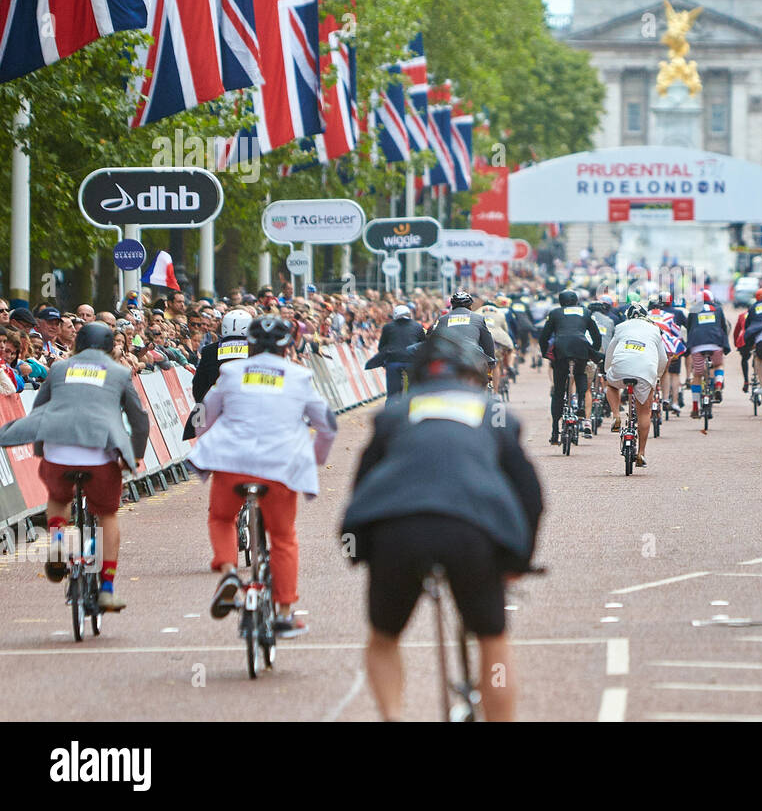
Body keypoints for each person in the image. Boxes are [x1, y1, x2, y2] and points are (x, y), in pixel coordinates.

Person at [342, 333, 543, 722]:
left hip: (397, 532)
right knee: (492, 638)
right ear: (473, 377)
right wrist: (520, 557)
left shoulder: (395, 414)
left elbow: (362, 485)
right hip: (471, 530)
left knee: (384, 638)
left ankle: (393, 716)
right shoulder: (493, 414)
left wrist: (359, 550)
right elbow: (529, 492)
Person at [190, 316, 337, 637]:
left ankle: (229, 571)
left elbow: (203, 414)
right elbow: (326, 425)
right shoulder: (300, 376)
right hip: (281, 467)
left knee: (221, 518)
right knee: (283, 537)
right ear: (289, 346)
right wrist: (315, 459)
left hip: (231, 463)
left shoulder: (229, 372)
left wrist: (209, 440)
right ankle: (285, 611)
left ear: (249, 345)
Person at [0, 322, 150, 611]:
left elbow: (40, 410)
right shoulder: (119, 373)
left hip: (59, 450)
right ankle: (106, 587)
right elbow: (139, 420)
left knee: (58, 497)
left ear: (76, 346)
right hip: (100, 453)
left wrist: (43, 450)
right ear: (110, 348)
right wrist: (134, 456)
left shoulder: (58, 369)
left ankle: (57, 543)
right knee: (107, 514)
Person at [602, 303, 667, 467]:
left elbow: (610, 352)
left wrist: (608, 370)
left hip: (621, 367)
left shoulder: (621, 327)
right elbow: (663, 359)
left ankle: (616, 415)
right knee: (644, 412)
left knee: (611, 385)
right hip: (645, 371)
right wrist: (656, 376)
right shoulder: (654, 329)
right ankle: (641, 453)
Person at [538, 290, 602, 444]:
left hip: (561, 350)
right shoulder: (586, 312)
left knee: (559, 391)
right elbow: (596, 335)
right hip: (581, 348)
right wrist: (592, 351)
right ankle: (580, 404)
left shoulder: (555, 313)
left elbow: (544, 336)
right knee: (580, 374)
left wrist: (545, 353)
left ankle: (555, 431)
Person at [182, 308, 253, 441]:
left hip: (213, 409)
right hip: (247, 410)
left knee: (196, 433)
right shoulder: (255, 350)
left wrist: (203, 405)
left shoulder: (209, 350)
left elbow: (198, 385)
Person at [683, 291, 729, 418]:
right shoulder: (718, 309)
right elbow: (723, 327)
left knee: (697, 375)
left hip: (697, 345)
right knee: (718, 365)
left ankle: (695, 407)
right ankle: (718, 385)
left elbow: (689, 328)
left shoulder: (693, 310)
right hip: (715, 343)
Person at [369, 304, 426, 405]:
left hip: (393, 362)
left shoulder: (387, 327)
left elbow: (382, 347)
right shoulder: (418, 326)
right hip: (411, 363)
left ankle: (391, 414)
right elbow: (423, 345)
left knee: (392, 395)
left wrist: (384, 362)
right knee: (414, 393)